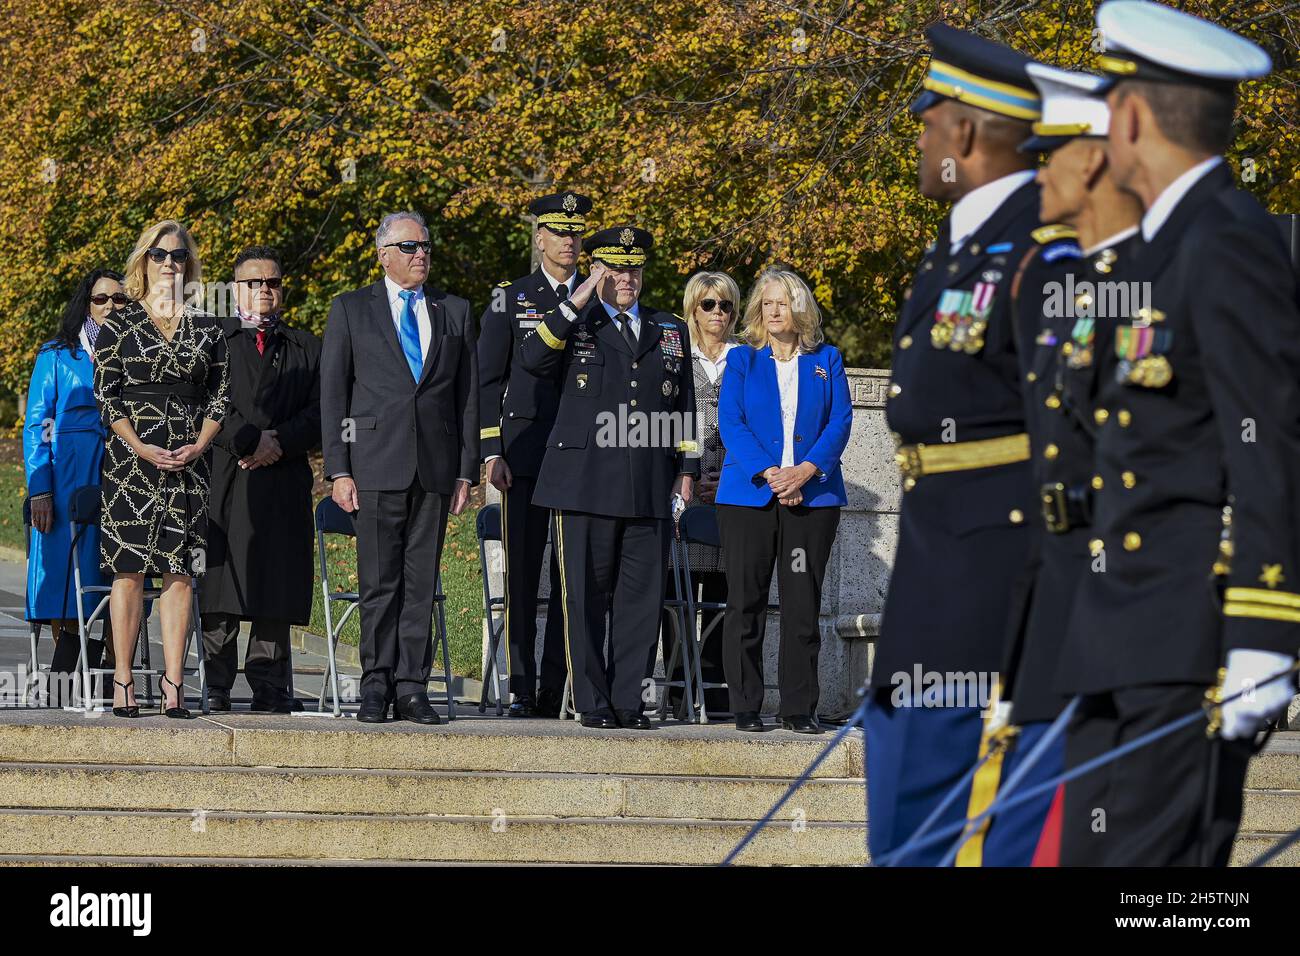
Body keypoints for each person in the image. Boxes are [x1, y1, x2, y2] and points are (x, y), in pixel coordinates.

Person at [1057, 0, 1300, 866]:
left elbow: (1271, 442)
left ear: (1129, 117)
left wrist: (1265, 633)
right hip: (1121, 628)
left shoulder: (1225, 239)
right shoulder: (1158, 250)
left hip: (1186, 626)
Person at [866, 24, 1047, 864]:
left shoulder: (1042, 247)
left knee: (968, 825)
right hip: (939, 563)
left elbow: (1074, 432)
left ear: (966, 132)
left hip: (993, 576)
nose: (921, 136)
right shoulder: (960, 245)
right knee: (905, 812)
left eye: (928, 120)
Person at [968, 63, 1144, 866]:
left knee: (1098, 793)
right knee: (1030, 774)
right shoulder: (1057, 280)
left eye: (1054, 156)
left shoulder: (1146, 278)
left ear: (1097, 161)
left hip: (1116, 569)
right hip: (1046, 563)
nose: (1038, 173)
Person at [518, 226, 698, 729]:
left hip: (647, 481)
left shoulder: (668, 329)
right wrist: (578, 299)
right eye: (616, 269)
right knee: (584, 597)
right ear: (598, 270)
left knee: (640, 601)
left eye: (634, 269)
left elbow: (681, 402)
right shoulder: (577, 322)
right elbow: (531, 359)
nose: (627, 278)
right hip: (584, 482)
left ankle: (628, 701)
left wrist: (686, 470)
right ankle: (592, 702)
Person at [320, 211, 478, 725]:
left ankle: (412, 686)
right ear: (383, 253)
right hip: (374, 466)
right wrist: (339, 469)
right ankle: (375, 683)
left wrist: (466, 470)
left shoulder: (454, 311)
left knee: (420, 583)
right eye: (410, 247)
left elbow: (467, 398)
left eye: (426, 246)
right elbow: (334, 395)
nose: (421, 255)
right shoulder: (350, 309)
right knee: (379, 582)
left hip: (434, 469)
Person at [95, 220, 230, 719]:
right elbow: (106, 399)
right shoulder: (117, 326)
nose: (169, 262)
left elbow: (220, 397)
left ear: (189, 264)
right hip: (131, 467)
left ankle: (174, 685)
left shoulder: (210, 328)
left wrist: (198, 446)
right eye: (159, 254)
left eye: (177, 255)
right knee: (128, 574)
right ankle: (124, 682)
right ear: (143, 262)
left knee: (180, 575)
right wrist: (141, 446)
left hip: (190, 466)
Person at [715, 268, 851, 733]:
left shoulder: (827, 360)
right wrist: (772, 474)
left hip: (811, 501)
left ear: (800, 308)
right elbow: (730, 421)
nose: (774, 310)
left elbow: (840, 422)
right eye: (767, 302)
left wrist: (806, 471)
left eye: (783, 302)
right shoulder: (741, 361)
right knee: (745, 602)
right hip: (750, 498)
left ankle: (798, 708)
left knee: (801, 602)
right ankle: (746, 707)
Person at [478, 191, 590, 718]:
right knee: (523, 573)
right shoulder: (510, 297)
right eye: (559, 232)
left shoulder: (597, 297)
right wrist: (489, 450)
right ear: (539, 237)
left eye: (576, 232)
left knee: (573, 575)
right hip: (522, 451)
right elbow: (487, 379)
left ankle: (556, 686)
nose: (569, 241)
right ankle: (522, 686)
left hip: (580, 454)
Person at [200, 246, 321, 713]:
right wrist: (248, 440)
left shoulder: (306, 346)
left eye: (272, 282)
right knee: (221, 584)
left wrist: (279, 442)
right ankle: (217, 682)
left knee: (276, 581)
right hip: (224, 477)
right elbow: (201, 399)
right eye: (254, 282)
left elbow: (323, 411)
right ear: (236, 288)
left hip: (283, 480)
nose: (264, 290)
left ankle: (270, 684)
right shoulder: (213, 339)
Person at [25, 269, 126, 700]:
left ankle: (100, 665)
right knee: (63, 578)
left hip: (121, 469)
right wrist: (41, 489)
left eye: (120, 300)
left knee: (111, 571)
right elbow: (36, 424)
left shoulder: (138, 351)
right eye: (101, 299)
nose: (110, 307)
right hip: (66, 473)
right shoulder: (58, 355)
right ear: (87, 303)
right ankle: (72, 669)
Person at [661, 271, 743, 717]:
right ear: (693, 308)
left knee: (723, 600)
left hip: (730, 493)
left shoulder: (748, 360)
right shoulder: (673, 356)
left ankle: (717, 695)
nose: (718, 314)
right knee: (675, 600)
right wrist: (685, 477)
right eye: (709, 304)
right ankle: (675, 695)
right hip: (680, 490)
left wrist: (729, 479)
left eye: (726, 305)